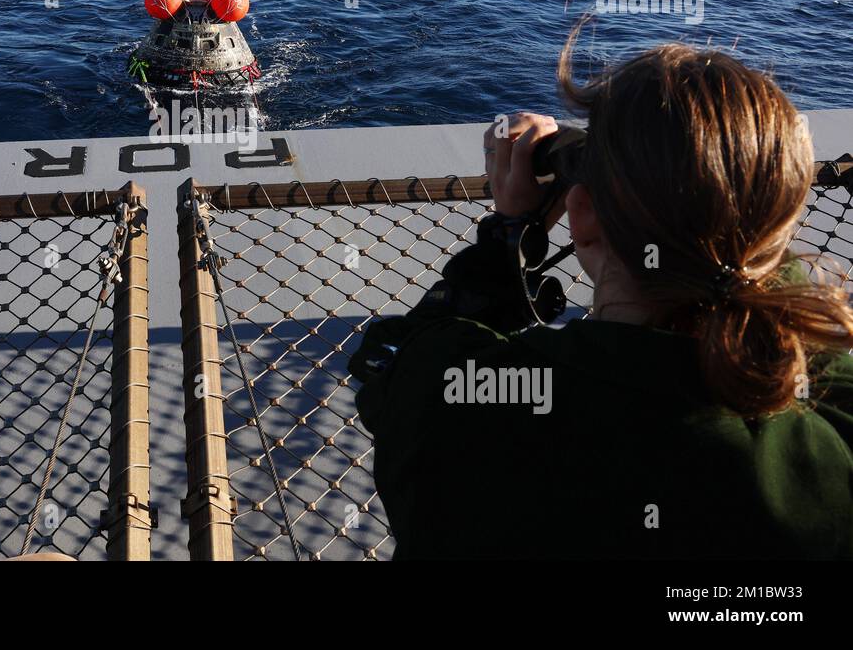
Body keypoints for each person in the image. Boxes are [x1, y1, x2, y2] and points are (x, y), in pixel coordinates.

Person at [350, 33, 853, 559]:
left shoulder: (454, 402)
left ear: (583, 216)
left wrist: (508, 234)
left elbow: (387, 363)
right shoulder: (829, 437)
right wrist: (727, 204)